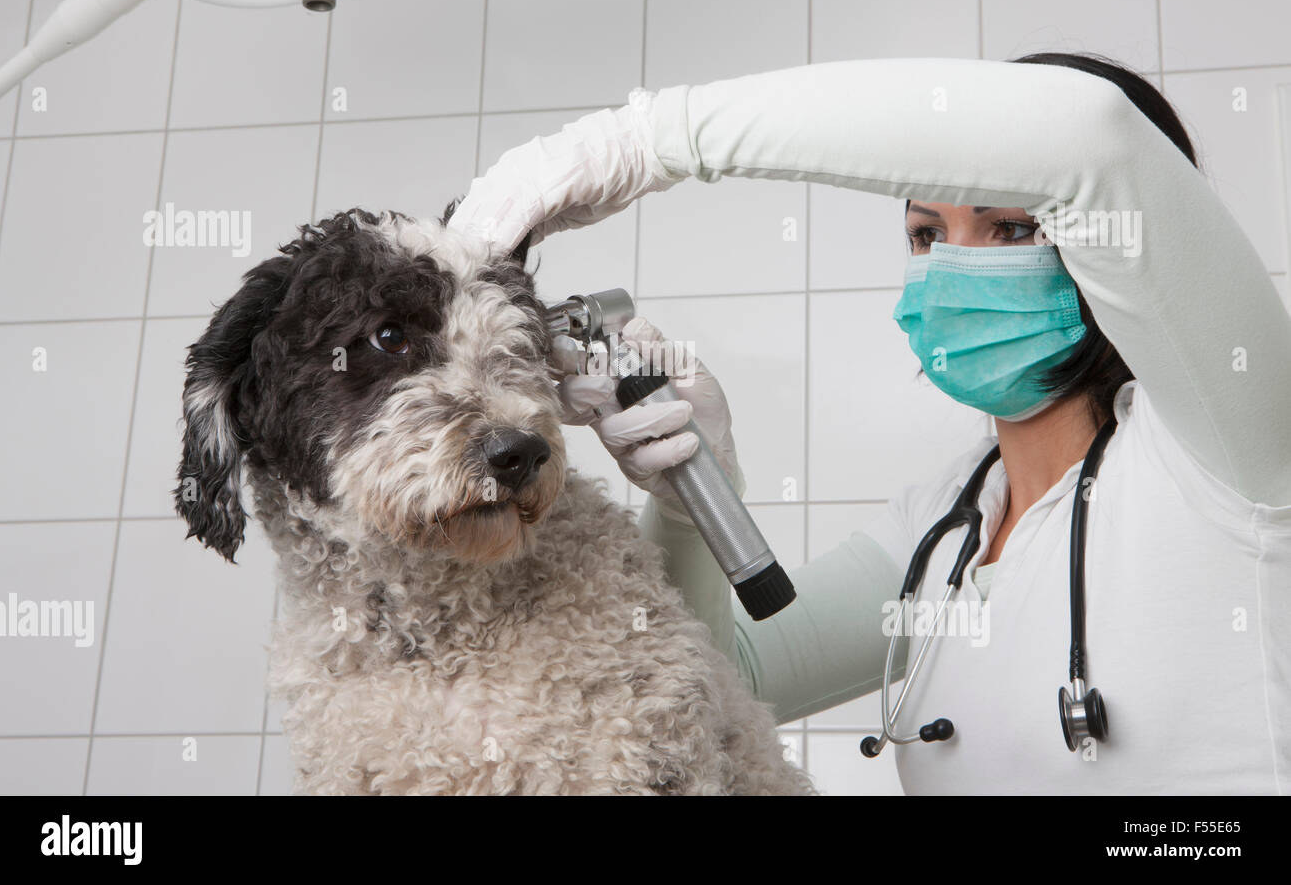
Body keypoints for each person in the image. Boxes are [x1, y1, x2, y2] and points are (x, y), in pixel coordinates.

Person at [447, 54, 1291, 794]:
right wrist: (688, 501)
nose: (956, 265)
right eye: (929, 233)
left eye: (1014, 226)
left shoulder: (1227, 451)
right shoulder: (940, 527)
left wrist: (646, 139)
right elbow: (718, 683)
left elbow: (1094, 134)